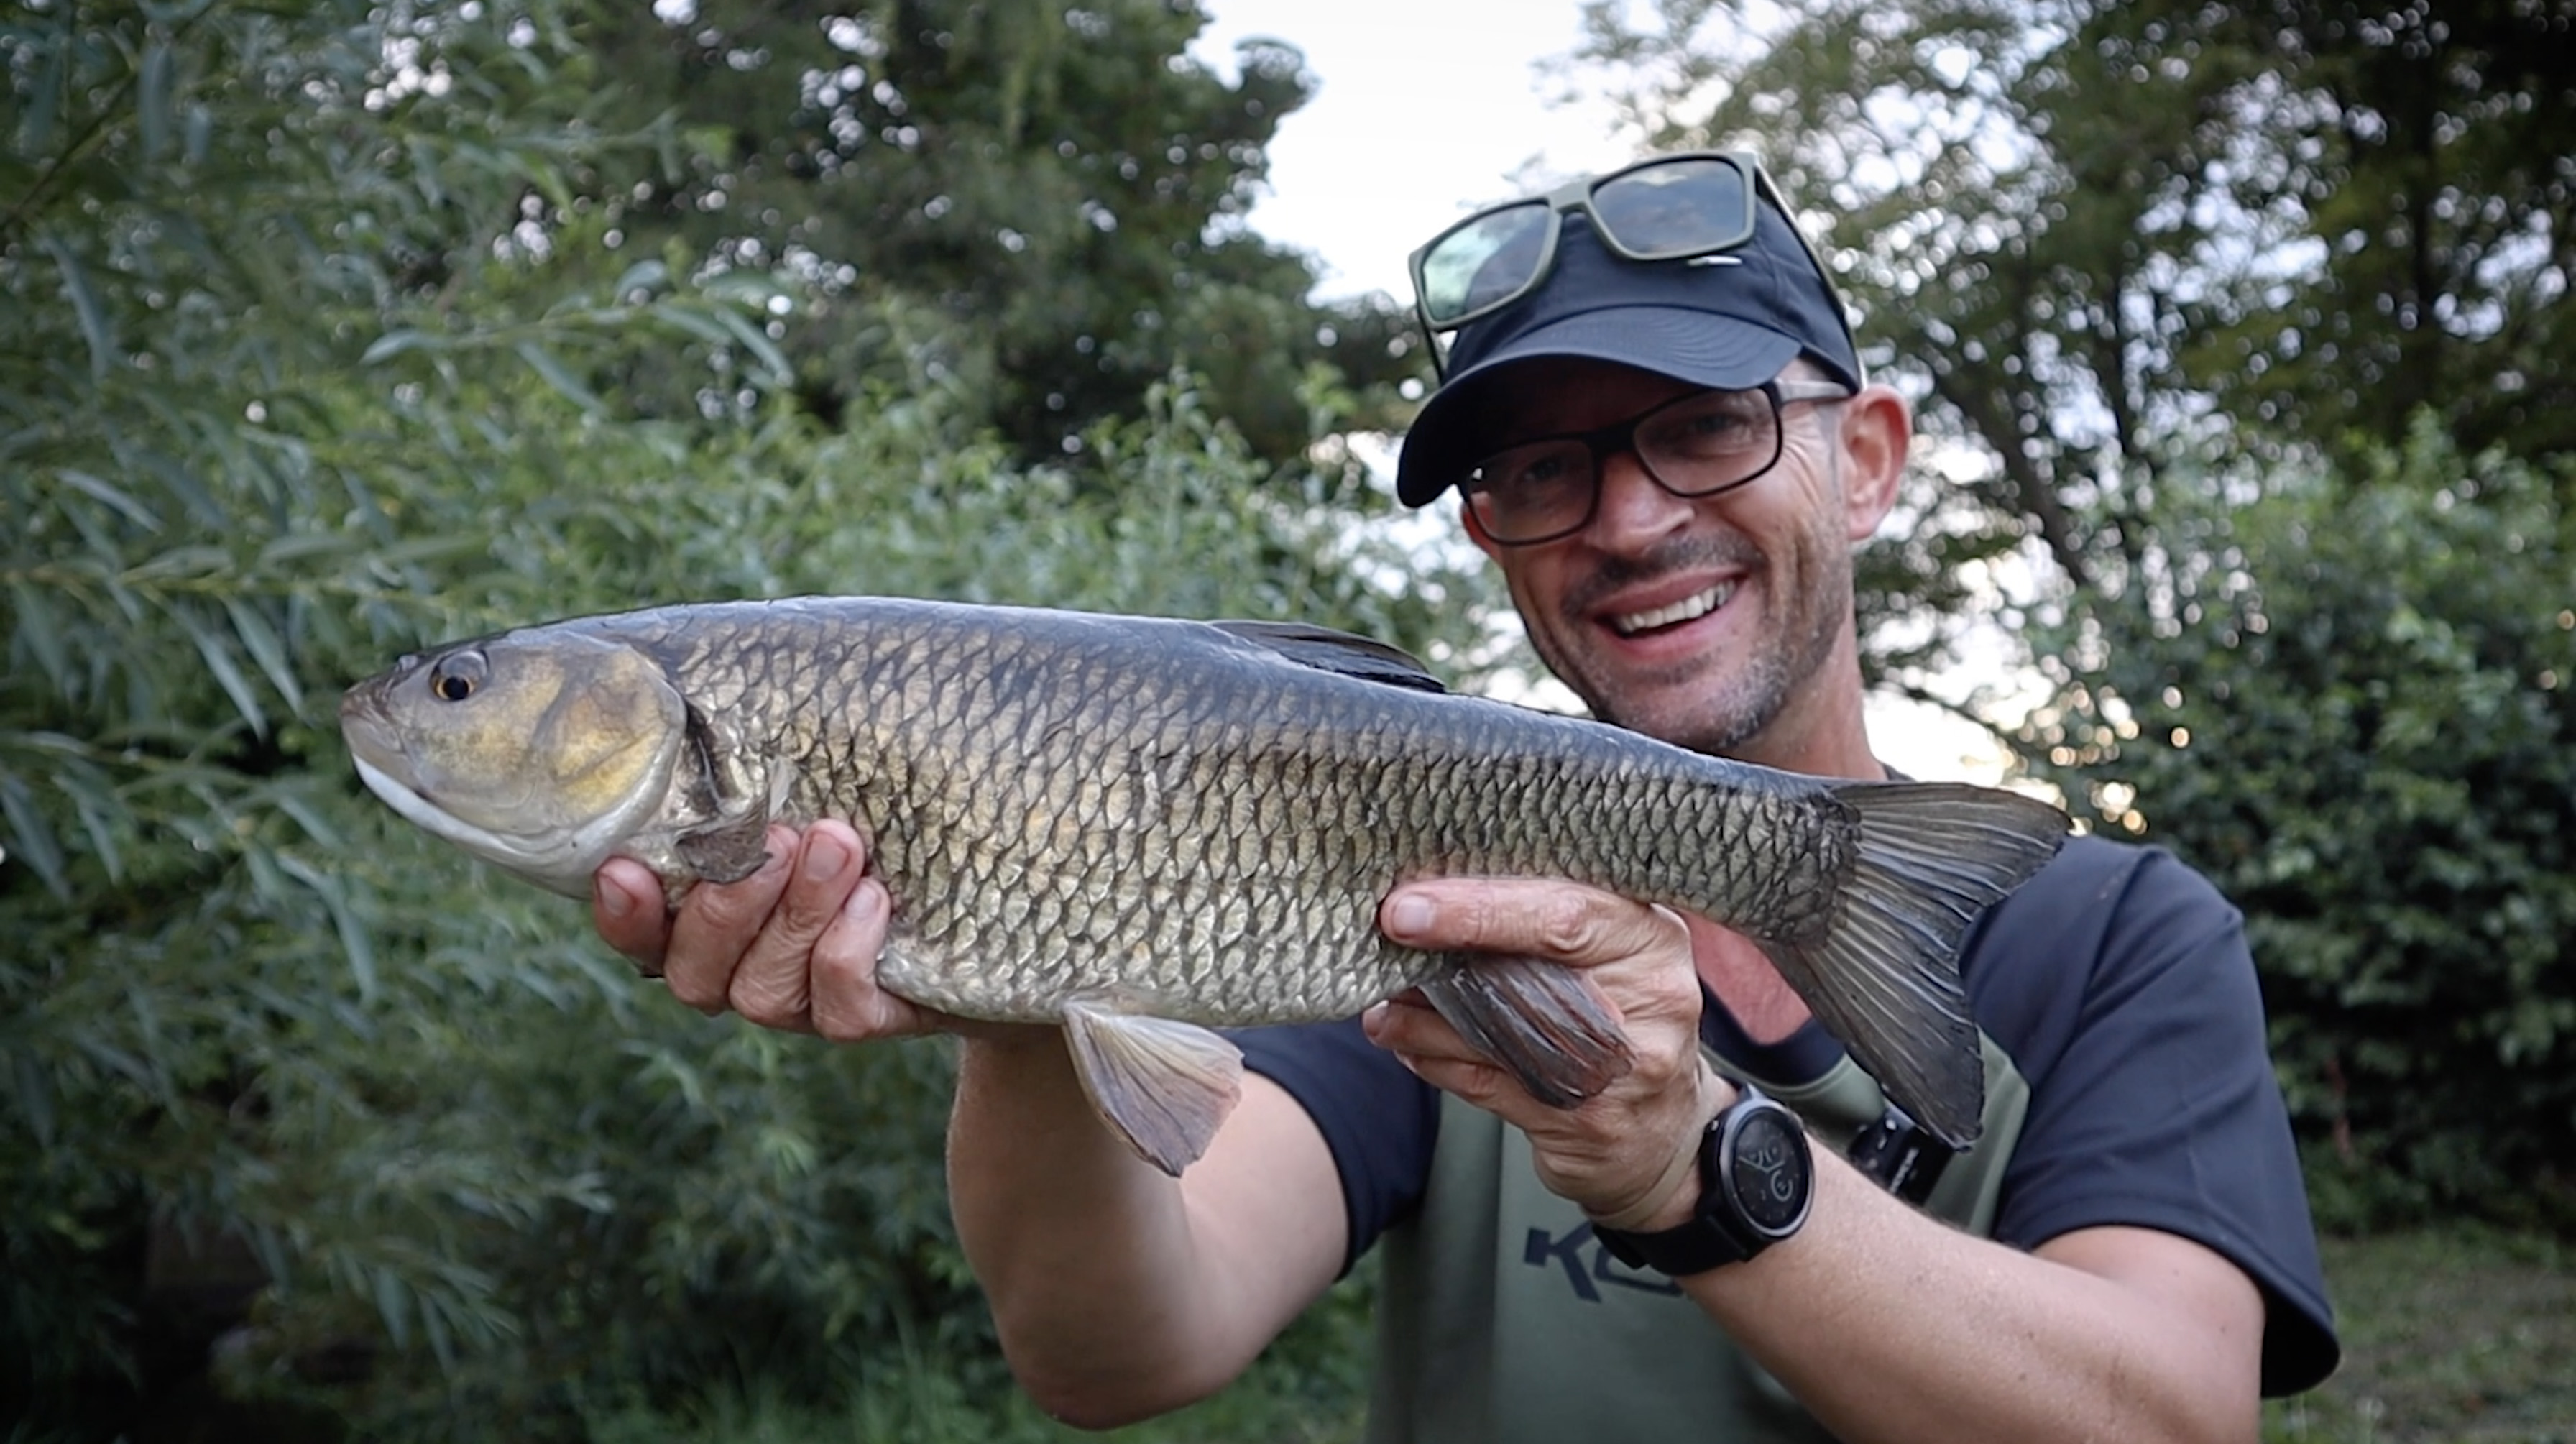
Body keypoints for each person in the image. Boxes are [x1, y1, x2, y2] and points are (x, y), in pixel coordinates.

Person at [589, 150, 2338, 1441]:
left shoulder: (2115, 936)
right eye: (1542, 469)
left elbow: (2170, 1426)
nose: (1632, 517)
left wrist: (1684, 1164)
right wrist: (1021, 976)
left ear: (1864, 458)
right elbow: (1114, 1356)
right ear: (1489, 536)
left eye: (1705, 427)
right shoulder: (1405, 897)